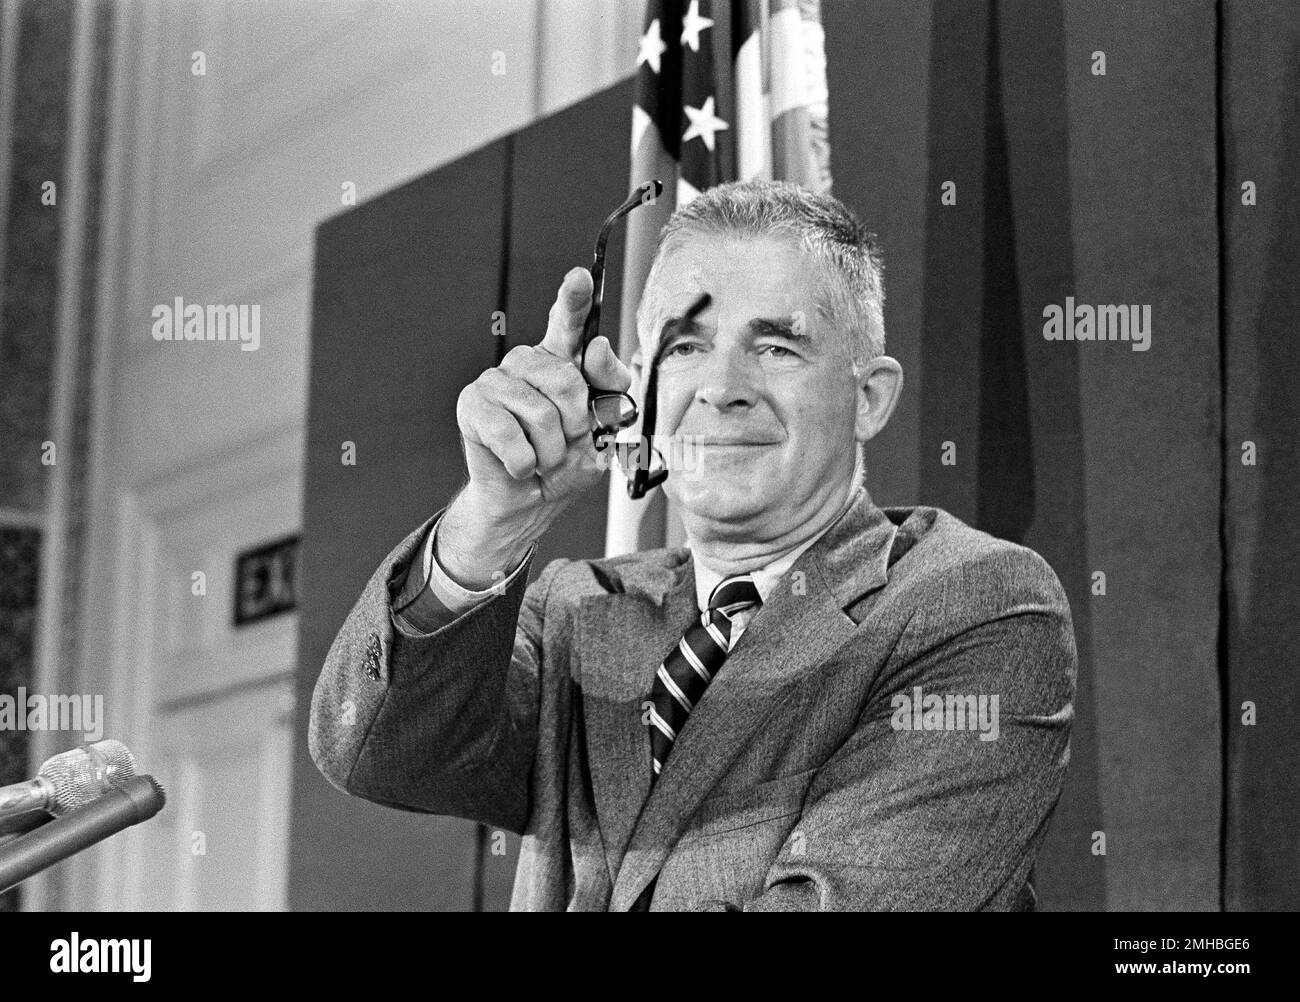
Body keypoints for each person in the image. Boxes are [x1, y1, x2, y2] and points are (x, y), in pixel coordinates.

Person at [309, 179, 1077, 911]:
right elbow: (377, 749)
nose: (721, 387)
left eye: (776, 347)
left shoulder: (977, 605)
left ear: (868, 397)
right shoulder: (576, 612)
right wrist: (494, 517)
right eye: (684, 348)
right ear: (635, 394)